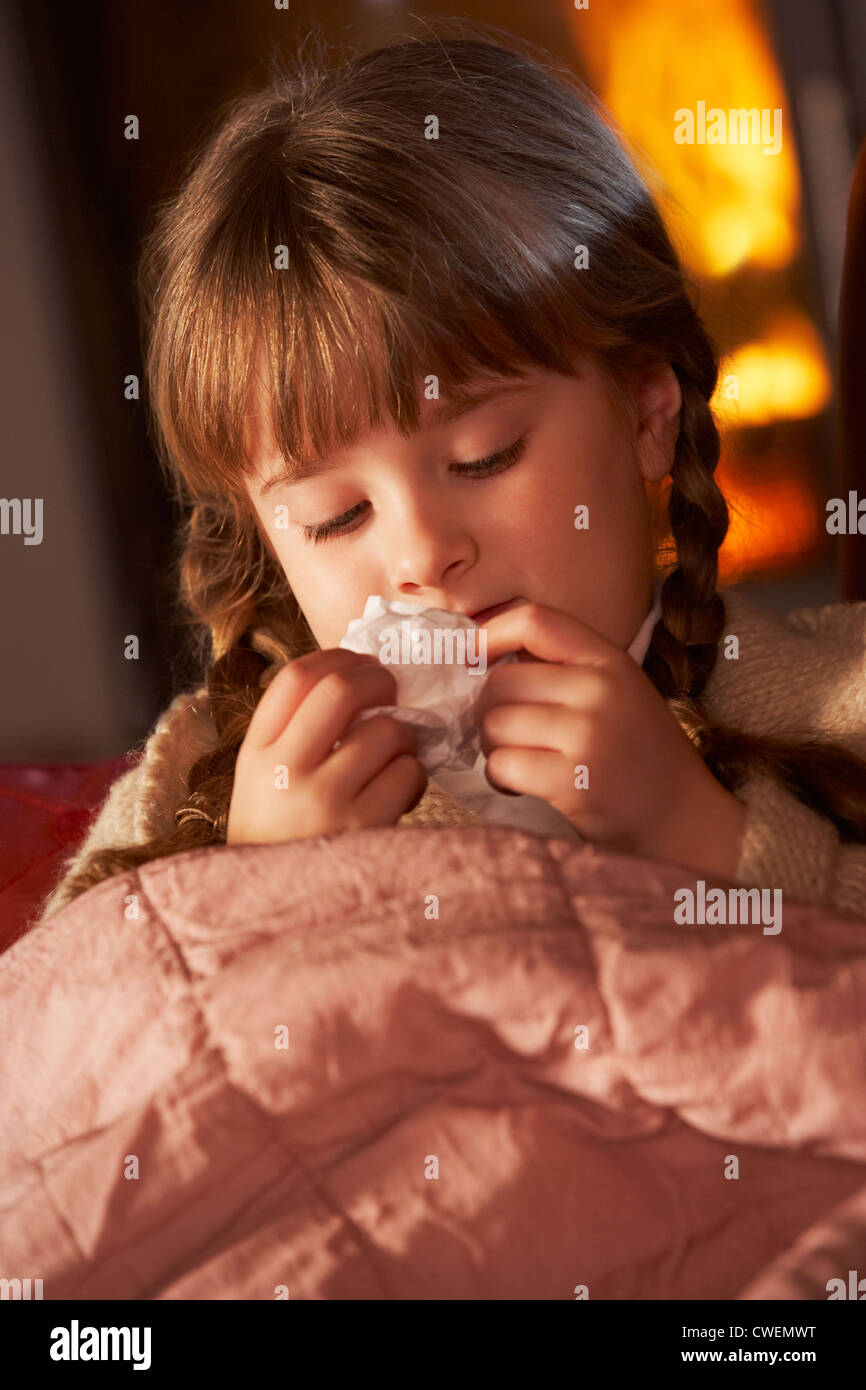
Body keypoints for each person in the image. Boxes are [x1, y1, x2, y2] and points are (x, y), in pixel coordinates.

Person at [36, 24, 866, 928]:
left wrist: (705, 840)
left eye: (485, 457)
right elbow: (74, 1037)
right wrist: (258, 894)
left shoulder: (835, 702)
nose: (423, 555)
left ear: (645, 415)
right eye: (336, 514)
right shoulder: (201, 787)